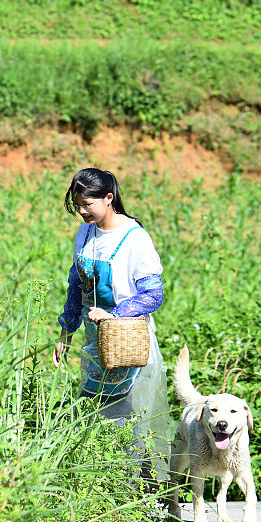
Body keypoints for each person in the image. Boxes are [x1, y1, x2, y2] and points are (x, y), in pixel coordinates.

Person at [54, 167, 170, 485]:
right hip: (95, 341)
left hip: (127, 342)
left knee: (134, 418)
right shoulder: (85, 233)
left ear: (109, 198)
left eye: (87, 204)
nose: (81, 211)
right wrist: (67, 330)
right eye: (77, 204)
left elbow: (153, 294)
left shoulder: (135, 239)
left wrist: (115, 314)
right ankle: (104, 487)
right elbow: (75, 284)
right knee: (95, 412)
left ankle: (145, 493)